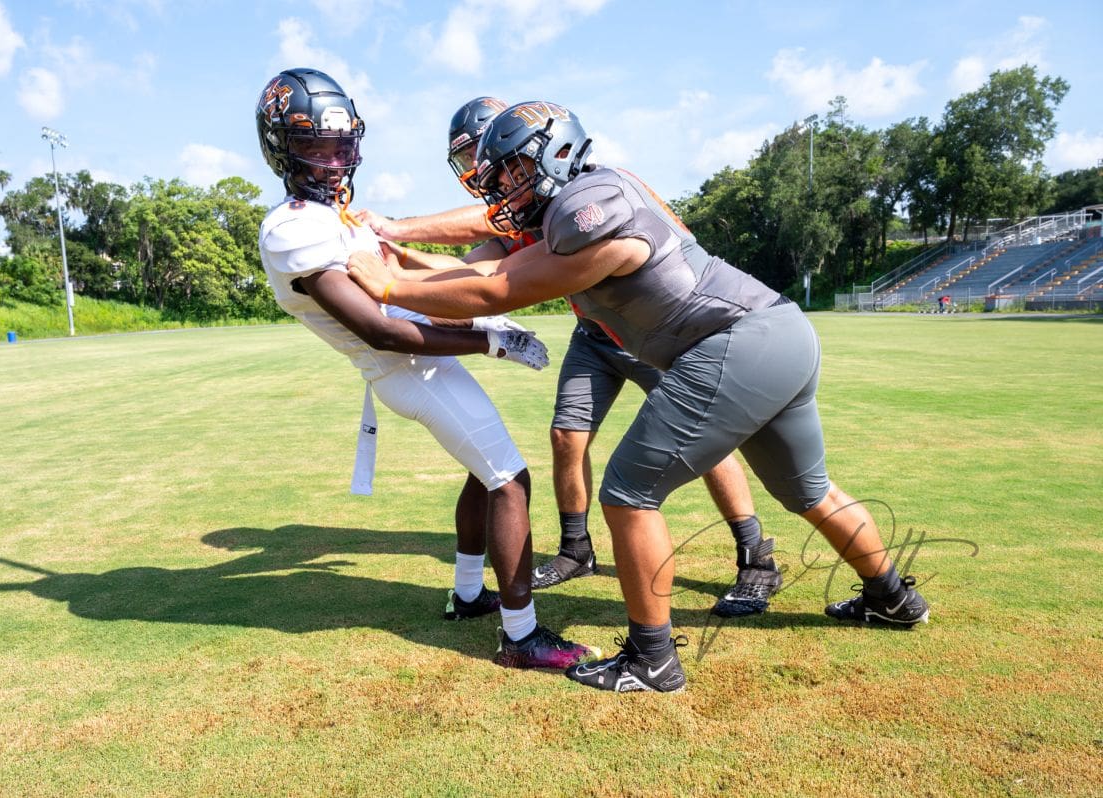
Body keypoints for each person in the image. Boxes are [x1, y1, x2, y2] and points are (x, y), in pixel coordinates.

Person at [348, 101, 931, 693]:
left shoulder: (585, 209)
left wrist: (390, 284)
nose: (505, 190)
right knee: (811, 491)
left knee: (628, 493)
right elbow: (483, 269)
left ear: (555, 153)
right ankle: (893, 598)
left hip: (734, 340)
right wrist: (408, 266)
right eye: (501, 180)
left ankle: (652, 660)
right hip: (777, 331)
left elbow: (498, 290)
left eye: (515, 174)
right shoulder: (585, 198)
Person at [356, 98, 780, 616]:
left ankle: (755, 555)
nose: (478, 173)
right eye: (468, 163)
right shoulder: (520, 206)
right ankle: (577, 550)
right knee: (566, 436)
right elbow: (469, 271)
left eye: (479, 158)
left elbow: (480, 230)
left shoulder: (579, 189)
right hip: (597, 331)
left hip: (652, 328)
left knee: (704, 443)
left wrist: (395, 230)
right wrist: (396, 269)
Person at [254, 71, 595, 670]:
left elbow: (408, 292)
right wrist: (488, 343)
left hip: (418, 355)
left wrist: (477, 321)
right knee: (510, 480)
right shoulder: (292, 229)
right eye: (315, 144)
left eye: (342, 142)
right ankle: (520, 637)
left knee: (482, 472)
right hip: (403, 365)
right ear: (282, 147)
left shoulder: (331, 217)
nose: (335, 158)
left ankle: (467, 595)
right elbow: (380, 327)